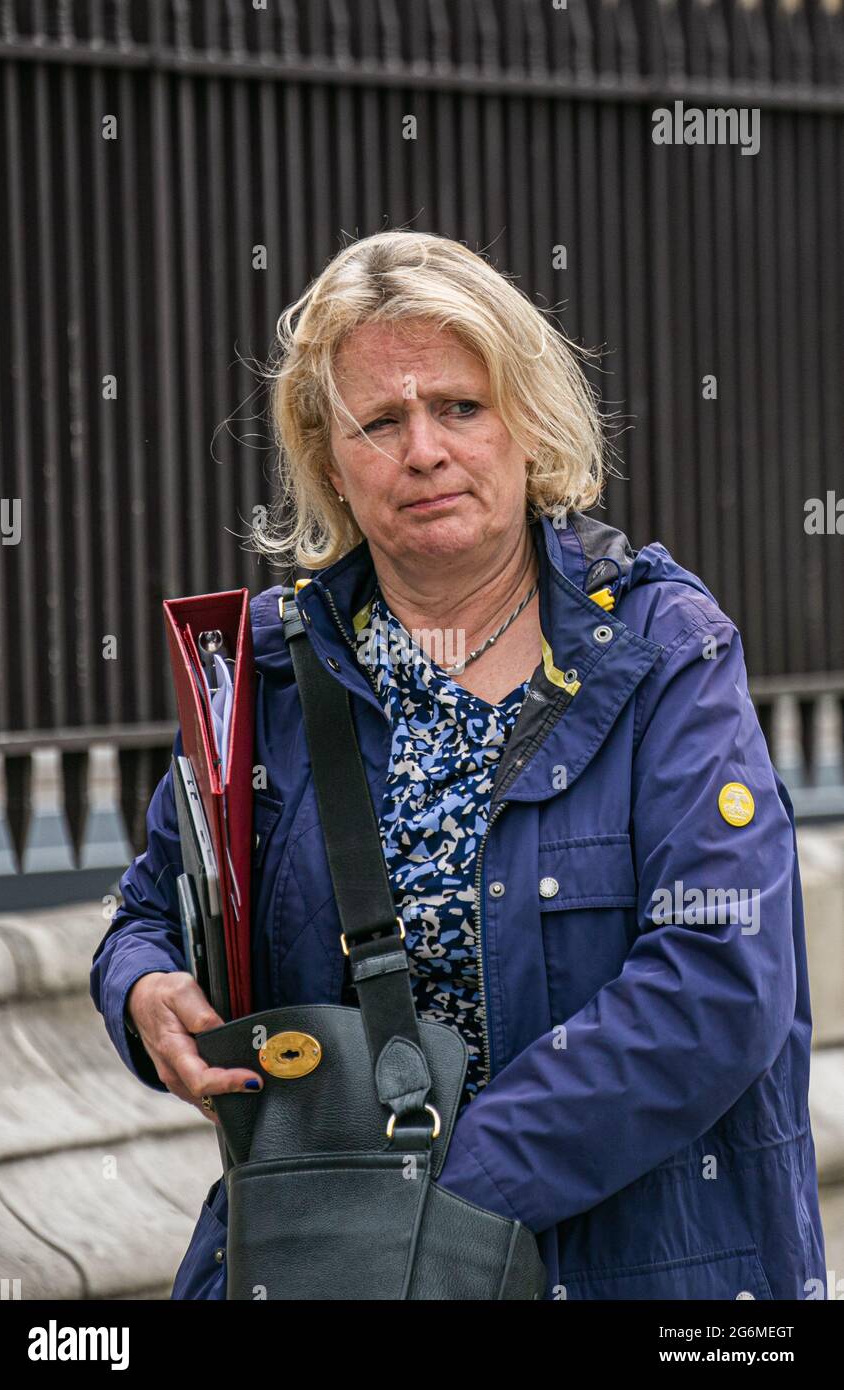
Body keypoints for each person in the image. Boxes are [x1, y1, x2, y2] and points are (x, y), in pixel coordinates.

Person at [90, 229, 826, 1301]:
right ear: (328, 456)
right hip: (325, 1263)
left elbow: (719, 980)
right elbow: (149, 909)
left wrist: (449, 1206)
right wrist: (143, 987)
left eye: (458, 407)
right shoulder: (262, 677)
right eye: (377, 422)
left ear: (523, 420)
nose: (421, 449)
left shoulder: (666, 647)